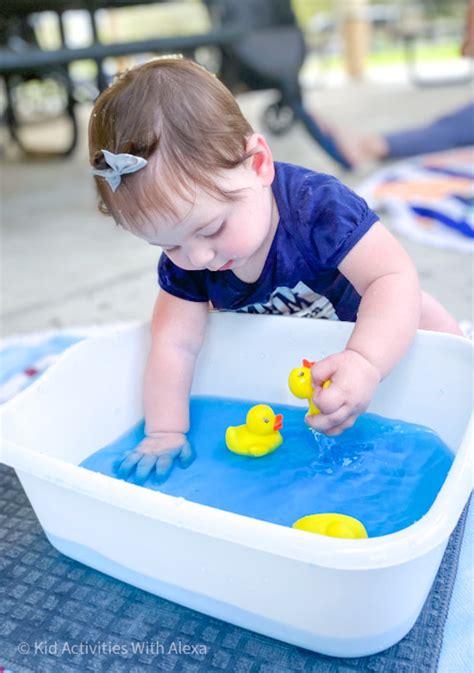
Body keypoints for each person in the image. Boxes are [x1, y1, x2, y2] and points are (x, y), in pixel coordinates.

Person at [89, 57, 462, 485]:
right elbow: (174, 346)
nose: (199, 258)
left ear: (259, 164)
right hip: (286, 354)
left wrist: (366, 361)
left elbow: (391, 278)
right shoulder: (190, 257)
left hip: (369, 328)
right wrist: (165, 430)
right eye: (168, 244)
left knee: (429, 321)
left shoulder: (317, 207)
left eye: (213, 229)